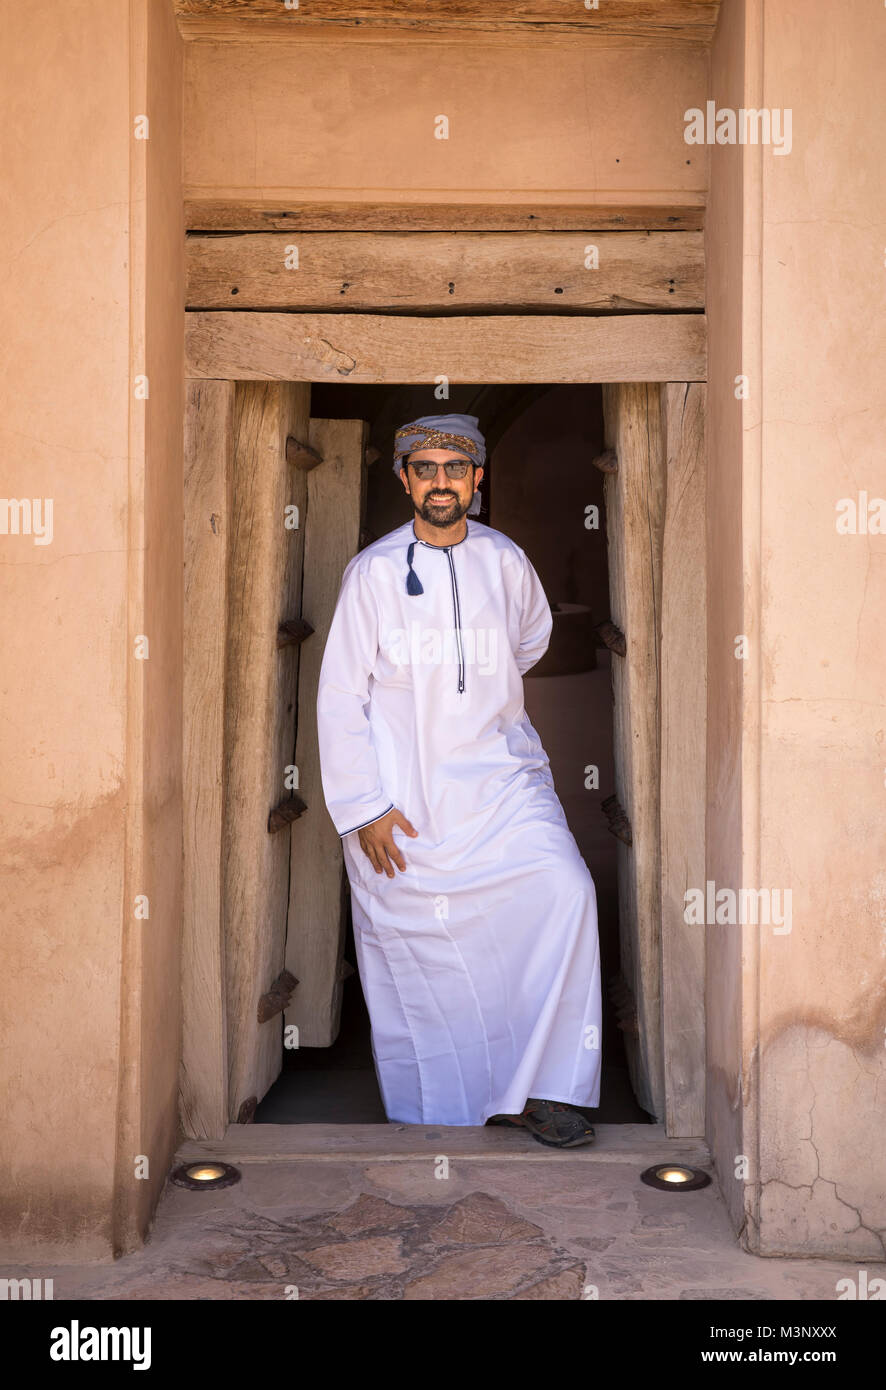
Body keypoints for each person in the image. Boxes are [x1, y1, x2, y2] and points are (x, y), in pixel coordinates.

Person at [315, 412, 602, 1147]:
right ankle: (445, 1114)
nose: (441, 482)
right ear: (405, 479)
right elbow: (341, 696)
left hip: (501, 782)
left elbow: (530, 638)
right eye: (426, 468)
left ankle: (549, 1089)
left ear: (477, 479)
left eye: (455, 468)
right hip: (404, 800)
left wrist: (474, 694)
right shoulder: (373, 573)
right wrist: (364, 808)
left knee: (563, 892)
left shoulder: (505, 559)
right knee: (428, 953)